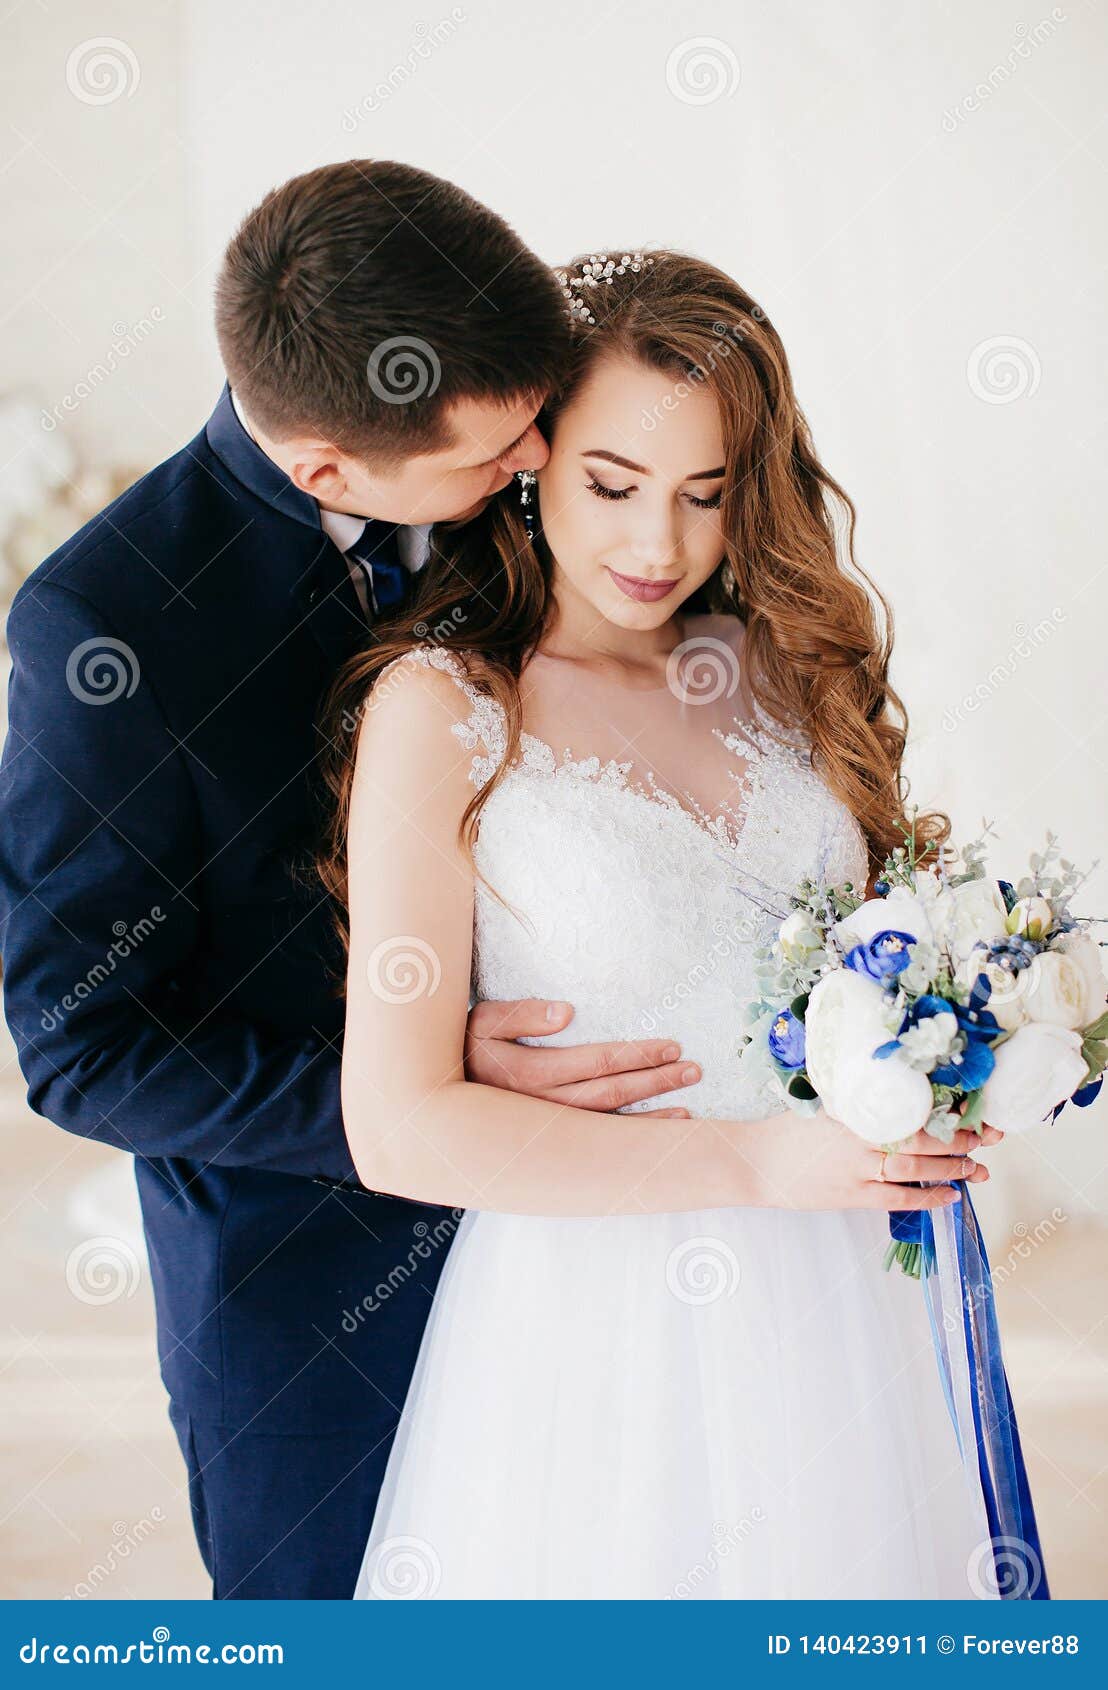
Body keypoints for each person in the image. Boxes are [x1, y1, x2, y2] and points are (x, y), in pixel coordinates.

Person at [0, 164, 703, 1601]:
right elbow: (83, 1049)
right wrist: (413, 1090)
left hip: (617, 1244)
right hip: (313, 1295)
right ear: (328, 469)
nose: (536, 463)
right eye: (497, 450)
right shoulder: (108, 631)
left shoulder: (531, 474)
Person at [324, 248, 1013, 1599]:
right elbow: (398, 1130)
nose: (659, 546)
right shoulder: (444, 707)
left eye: (706, 494)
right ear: (533, 458)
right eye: (614, 485)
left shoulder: (789, 672)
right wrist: (755, 1162)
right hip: (597, 1318)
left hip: (844, 1289)